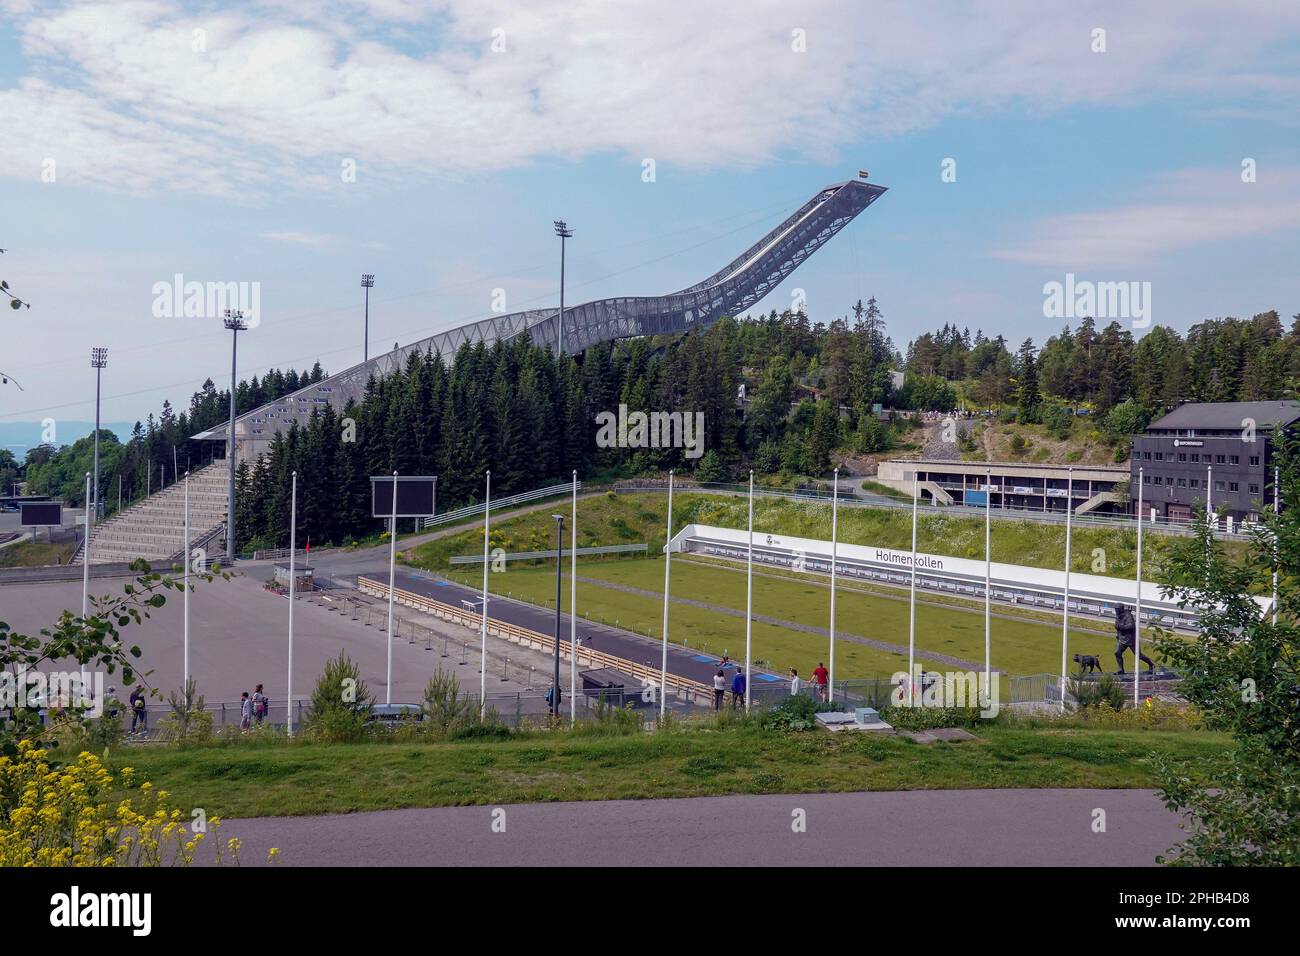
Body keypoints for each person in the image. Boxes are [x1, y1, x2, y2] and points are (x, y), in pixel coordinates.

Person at [1113, 604, 1154, 674]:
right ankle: (1121, 669)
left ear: (1121, 609)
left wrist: (1120, 626)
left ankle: (1151, 664)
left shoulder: (1128, 616)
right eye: (1115, 609)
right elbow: (1117, 626)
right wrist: (1118, 634)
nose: (1116, 610)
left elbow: (1131, 626)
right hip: (1122, 639)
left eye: (1117, 609)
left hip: (1131, 640)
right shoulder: (1118, 615)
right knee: (1117, 653)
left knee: (1139, 655)